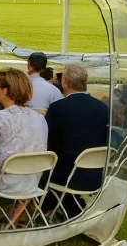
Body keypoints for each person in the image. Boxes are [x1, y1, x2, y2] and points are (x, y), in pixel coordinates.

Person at [0, 68, 48, 227]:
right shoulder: (40, 119)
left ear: (5, 90)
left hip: (5, 183)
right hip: (32, 181)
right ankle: (15, 217)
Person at [45, 64, 109, 212]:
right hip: (96, 172)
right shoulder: (102, 108)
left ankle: (46, 206)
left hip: (67, 173)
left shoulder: (57, 108)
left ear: (64, 83)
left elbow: (48, 142)